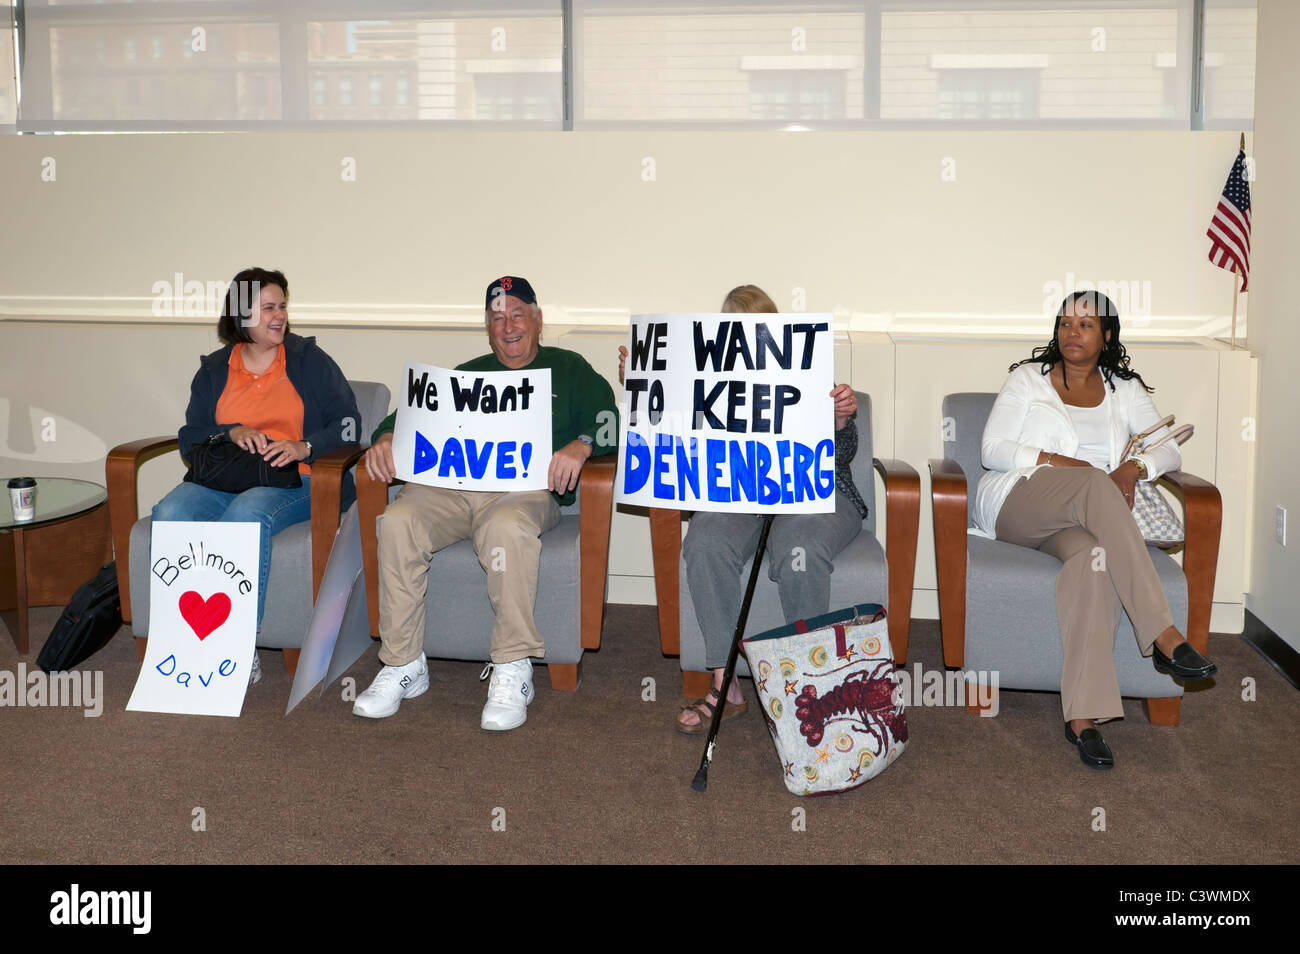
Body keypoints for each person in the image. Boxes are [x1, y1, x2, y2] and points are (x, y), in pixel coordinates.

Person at [354, 276, 618, 731]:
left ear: (537, 320)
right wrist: (384, 437)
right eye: (498, 318)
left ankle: (514, 665)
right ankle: (403, 664)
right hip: (452, 491)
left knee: (505, 527)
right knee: (397, 519)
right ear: (487, 326)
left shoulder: (570, 368)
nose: (508, 325)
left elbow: (608, 420)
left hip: (525, 492)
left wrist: (582, 443)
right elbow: (404, 417)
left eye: (518, 314)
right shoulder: (468, 373)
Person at [978, 290, 1217, 769]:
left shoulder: (1124, 389)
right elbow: (991, 449)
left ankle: (1082, 717)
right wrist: (1056, 461)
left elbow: (1170, 449)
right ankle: (1164, 634)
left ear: (1107, 335)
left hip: (1084, 517)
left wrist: (1134, 470)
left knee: (1093, 562)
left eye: (1085, 325)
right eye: (1065, 323)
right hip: (1019, 501)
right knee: (1090, 480)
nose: (1072, 332)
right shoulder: (1028, 381)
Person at [619, 285, 868, 734]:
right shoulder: (709, 378)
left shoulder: (808, 370)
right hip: (740, 492)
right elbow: (673, 423)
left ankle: (806, 688)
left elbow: (842, 455)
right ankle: (725, 685)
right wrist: (645, 381)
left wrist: (839, 420)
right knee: (706, 542)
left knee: (801, 549)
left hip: (816, 493)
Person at [152, 267, 360, 684]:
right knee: (169, 511)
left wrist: (305, 446)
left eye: (282, 306)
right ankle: (180, 644)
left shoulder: (308, 360)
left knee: (247, 513)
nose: (279, 315)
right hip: (224, 478)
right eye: (268, 307)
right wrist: (229, 432)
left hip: (296, 479)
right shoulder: (214, 370)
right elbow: (191, 438)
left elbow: (350, 424)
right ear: (241, 314)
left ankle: (234, 645)